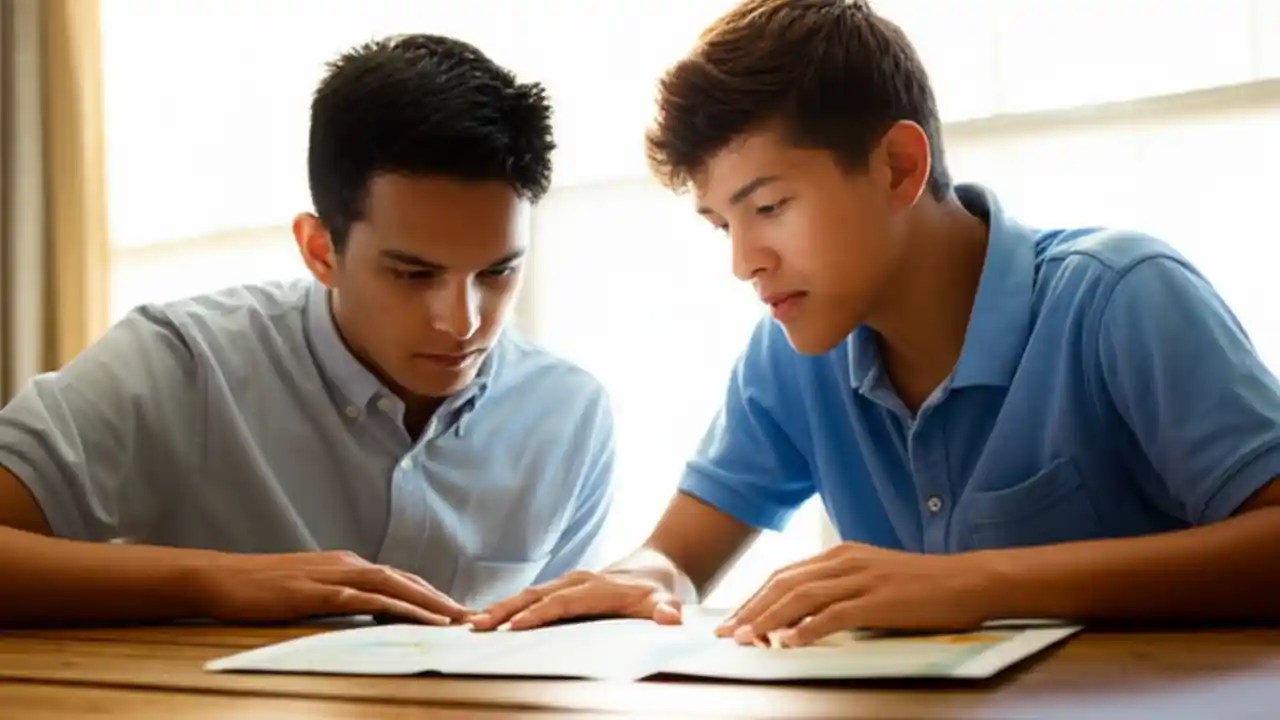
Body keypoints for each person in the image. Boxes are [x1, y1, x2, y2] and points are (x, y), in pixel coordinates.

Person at [471, 0, 1280, 647]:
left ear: (898, 166)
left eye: (769, 207)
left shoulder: (1121, 297)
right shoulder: (792, 353)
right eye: (723, 224)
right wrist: (647, 578)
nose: (744, 260)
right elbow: (675, 559)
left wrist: (976, 585)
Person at [0, 34, 614, 626]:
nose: (463, 322)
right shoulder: (183, 364)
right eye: (413, 273)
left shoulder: (568, 416)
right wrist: (214, 581)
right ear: (319, 249)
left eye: (498, 271)